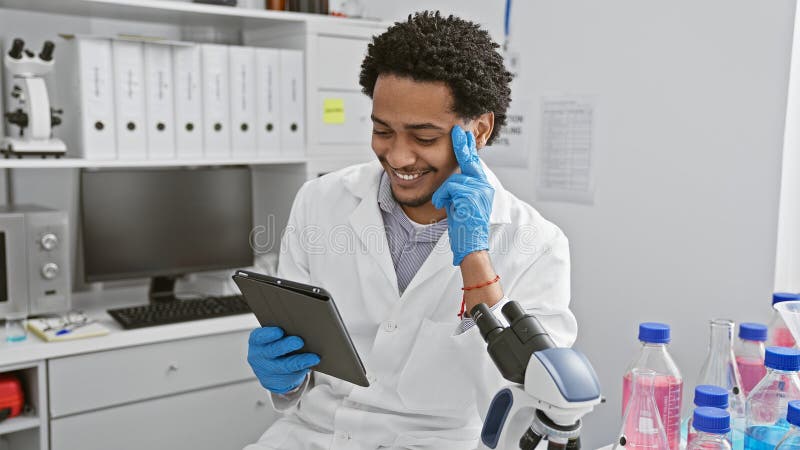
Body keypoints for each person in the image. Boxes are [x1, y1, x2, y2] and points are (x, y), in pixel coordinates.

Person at [244, 11, 577, 450]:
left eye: (423, 137)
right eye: (383, 131)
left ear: (478, 130)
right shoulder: (320, 202)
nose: (398, 156)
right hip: (311, 438)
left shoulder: (538, 245)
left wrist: (475, 260)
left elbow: (539, 407)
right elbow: (300, 378)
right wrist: (283, 378)